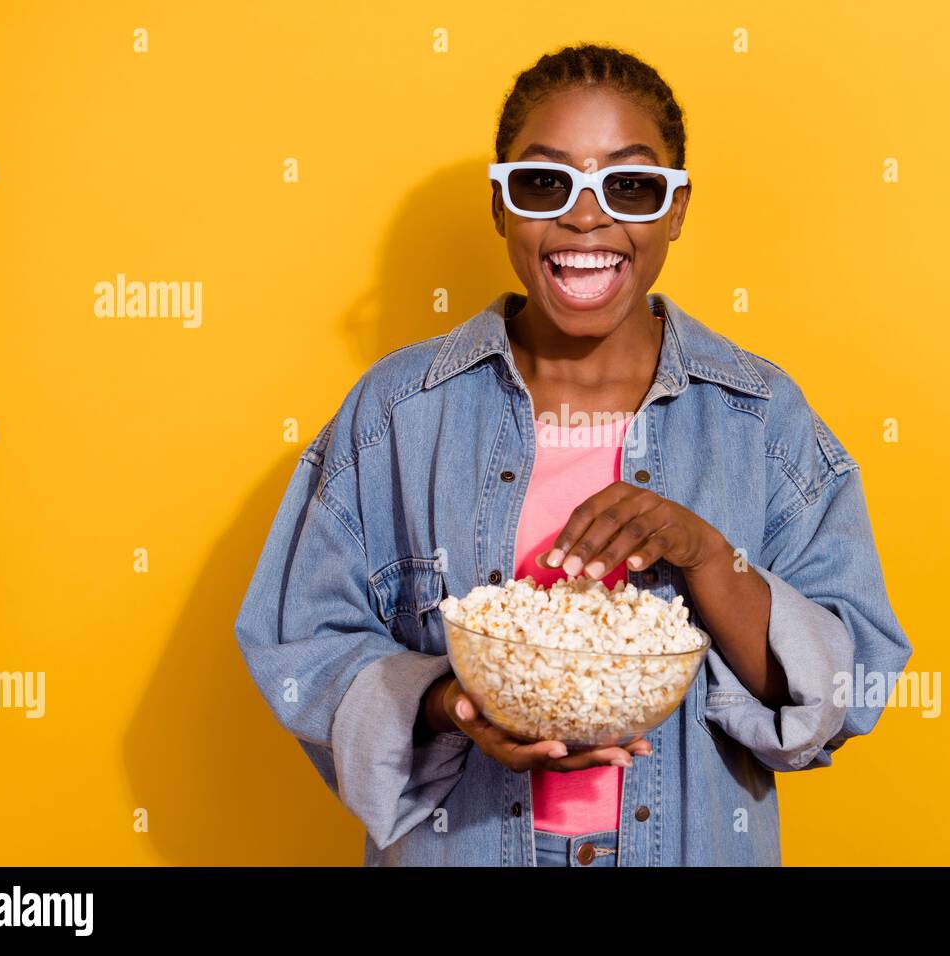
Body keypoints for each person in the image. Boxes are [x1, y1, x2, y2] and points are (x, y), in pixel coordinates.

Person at [234, 42, 912, 866]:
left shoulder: (762, 420)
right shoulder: (397, 414)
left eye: (629, 185)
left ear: (676, 208)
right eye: (543, 182)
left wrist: (704, 555)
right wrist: (455, 703)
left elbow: (839, 692)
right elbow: (301, 642)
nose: (585, 218)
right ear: (500, 205)